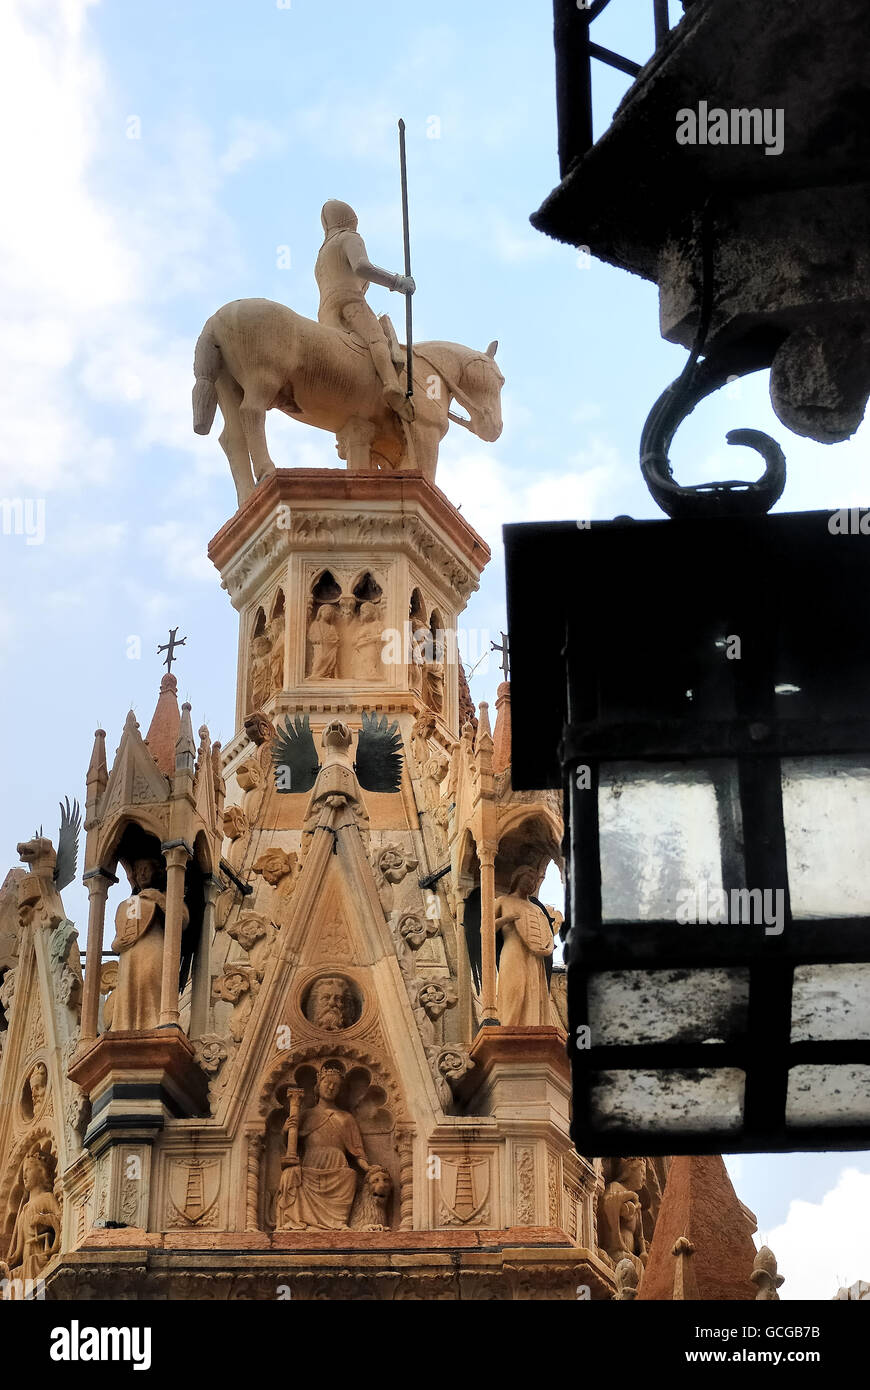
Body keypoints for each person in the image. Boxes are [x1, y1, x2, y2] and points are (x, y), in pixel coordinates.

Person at [315, 199, 415, 423]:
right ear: (349, 218)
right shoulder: (349, 237)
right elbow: (362, 266)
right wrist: (398, 282)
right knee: (376, 339)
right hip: (349, 301)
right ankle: (391, 385)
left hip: (325, 312)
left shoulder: (321, 256)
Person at [275, 1063, 370, 1230]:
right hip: (311, 1164)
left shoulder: (346, 1118)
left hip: (337, 1165)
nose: (331, 1087)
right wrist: (285, 1131)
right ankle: (297, 1221)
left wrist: (368, 1168)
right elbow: (291, 1148)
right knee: (289, 1175)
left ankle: (338, 1223)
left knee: (350, 1176)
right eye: (327, 1083)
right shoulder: (306, 1115)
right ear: (318, 1086)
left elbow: (357, 1151)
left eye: (336, 1085)